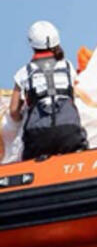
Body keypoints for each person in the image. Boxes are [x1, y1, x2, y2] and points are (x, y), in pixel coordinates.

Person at [7, 21, 88, 160]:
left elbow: (14, 111)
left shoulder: (23, 73)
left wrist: (21, 118)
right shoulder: (68, 66)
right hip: (69, 133)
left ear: (32, 44)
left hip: (38, 137)